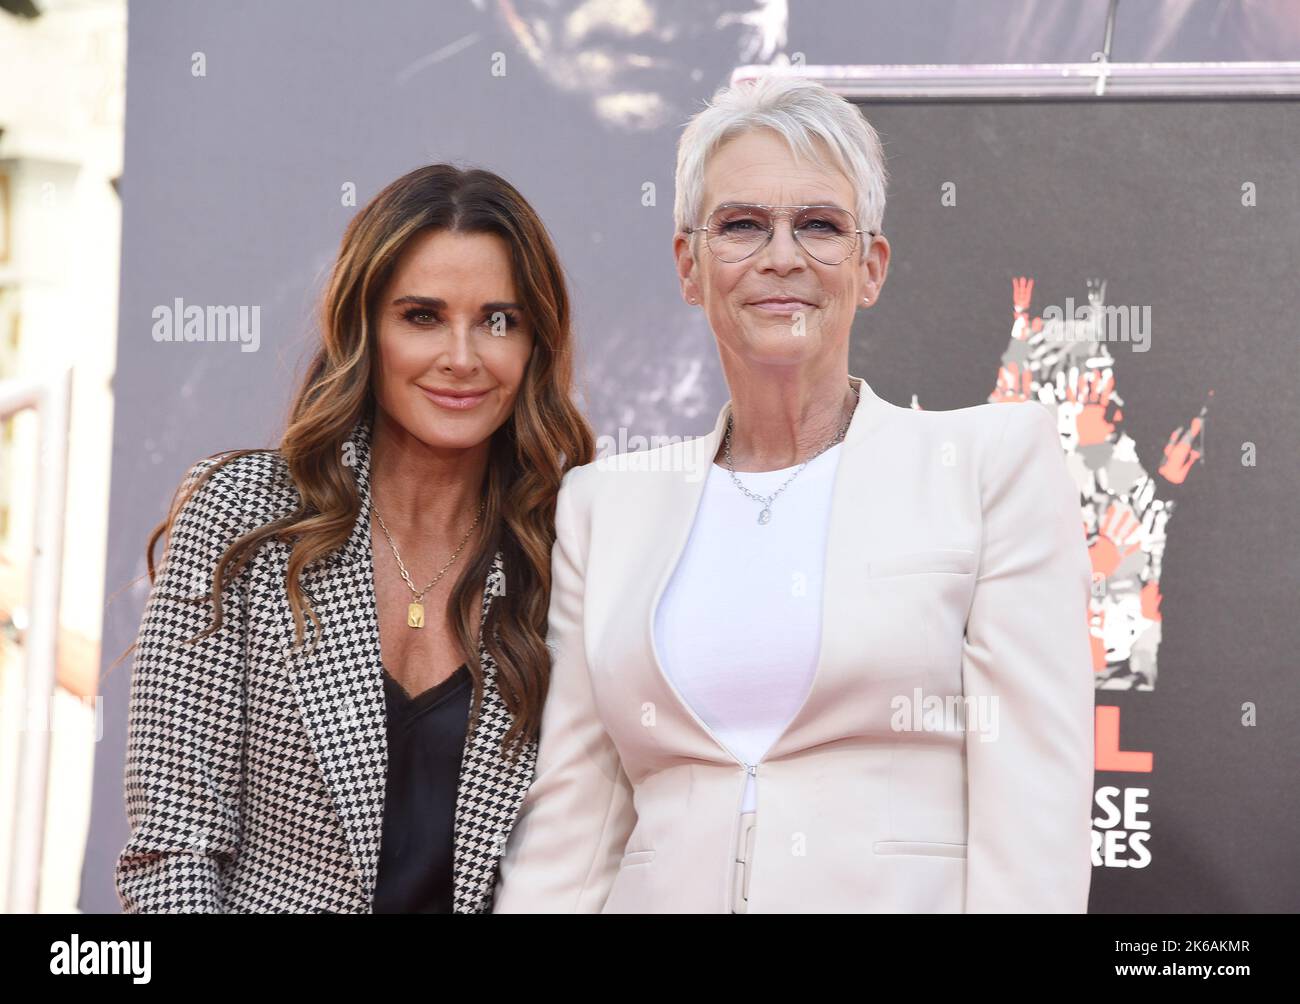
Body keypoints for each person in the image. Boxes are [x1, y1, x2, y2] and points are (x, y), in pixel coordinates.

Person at [494, 76, 1094, 913]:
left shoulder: (991, 466)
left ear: (870, 265)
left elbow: (1034, 806)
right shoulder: (605, 506)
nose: (782, 256)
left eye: (819, 225)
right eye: (742, 225)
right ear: (690, 266)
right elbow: (574, 821)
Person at [115, 164, 592, 913]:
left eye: (499, 320)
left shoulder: (565, 551)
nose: (462, 357)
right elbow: (174, 844)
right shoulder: (243, 516)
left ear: (535, 341)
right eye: (423, 316)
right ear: (364, 328)